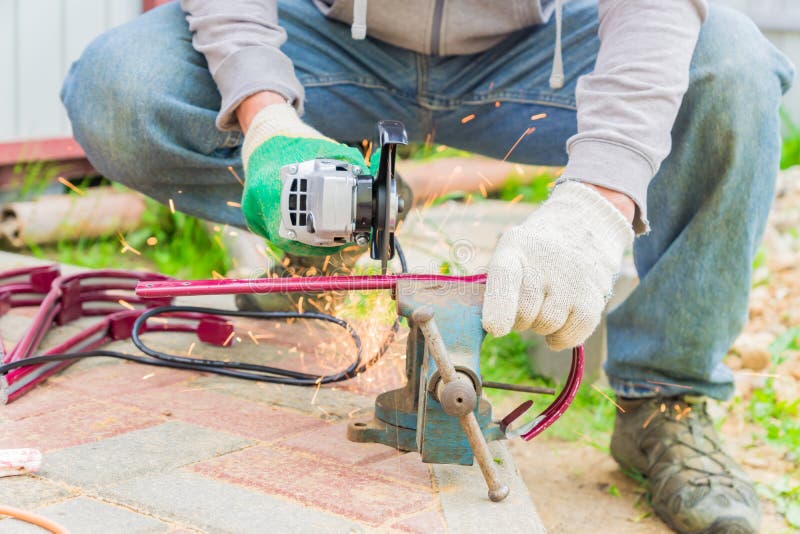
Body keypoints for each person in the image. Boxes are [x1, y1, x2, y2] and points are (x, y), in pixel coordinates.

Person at [61, 1, 793, 532]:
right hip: (335, 44)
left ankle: (665, 401)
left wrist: (600, 198)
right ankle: (335, 219)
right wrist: (264, 114)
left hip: (540, 49)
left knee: (732, 67)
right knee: (122, 84)